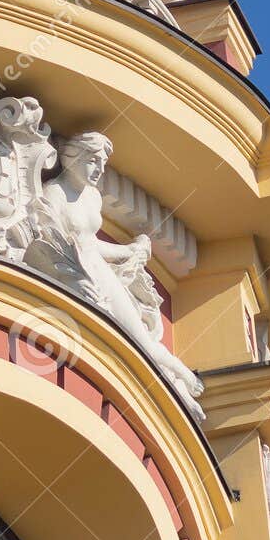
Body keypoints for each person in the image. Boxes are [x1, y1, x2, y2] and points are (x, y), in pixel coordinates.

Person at [34, 132, 204, 416]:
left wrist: (130, 251)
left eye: (102, 163)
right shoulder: (54, 193)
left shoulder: (92, 197)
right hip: (82, 274)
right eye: (93, 161)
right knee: (132, 342)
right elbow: (64, 244)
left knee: (137, 334)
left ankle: (180, 378)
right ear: (72, 158)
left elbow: (91, 244)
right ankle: (180, 396)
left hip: (98, 270)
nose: (99, 169)